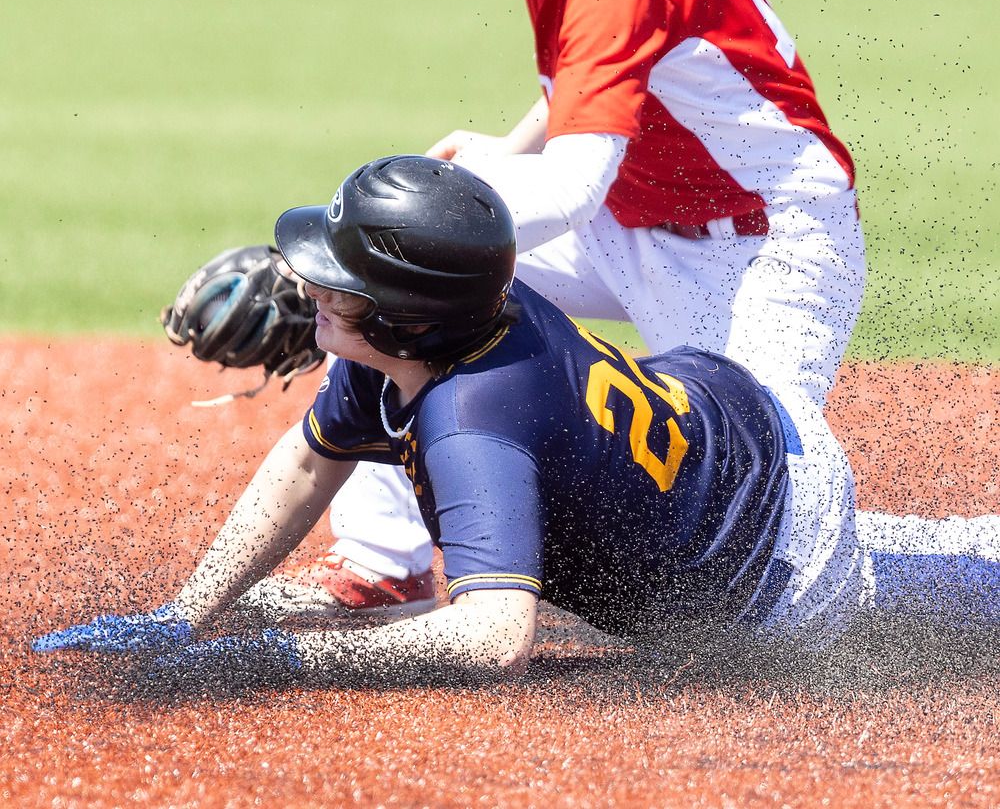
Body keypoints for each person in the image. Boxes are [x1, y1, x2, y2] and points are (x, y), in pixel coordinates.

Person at [272, 0, 872, 619]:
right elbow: (583, 88)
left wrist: (378, 234)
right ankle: (383, 561)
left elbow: (567, 190)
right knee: (401, 302)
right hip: (632, 221)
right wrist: (494, 156)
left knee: (773, 510)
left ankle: (964, 563)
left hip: (764, 247)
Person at [33, 158, 1000, 688]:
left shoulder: (471, 415)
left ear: (406, 314)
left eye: (343, 278)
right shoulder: (428, 336)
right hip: (738, 432)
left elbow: (495, 635)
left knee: (896, 587)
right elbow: (306, 461)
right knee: (924, 561)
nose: (313, 283)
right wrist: (186, 613)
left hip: (784, 573)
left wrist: (273, 655)